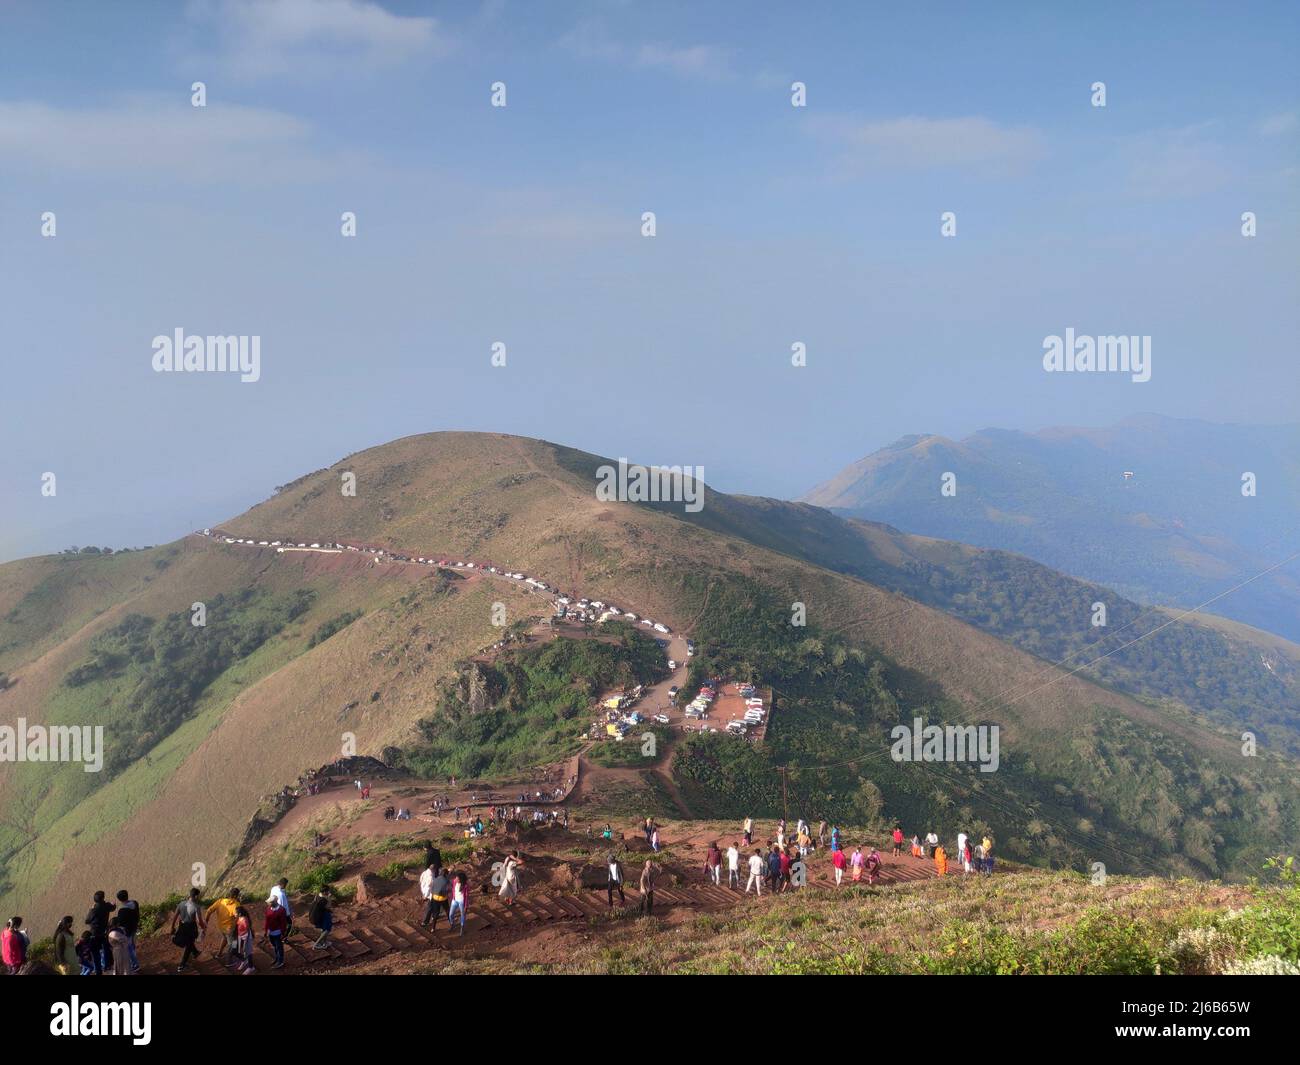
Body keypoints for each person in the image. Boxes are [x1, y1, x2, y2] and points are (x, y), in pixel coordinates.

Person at [169, 888, 206, 973]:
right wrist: (203, 927)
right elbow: (199, 921)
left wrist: (172, 927)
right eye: (198, 896)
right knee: (188, 946)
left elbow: (175, 917)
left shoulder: (181, 904)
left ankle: (195, 952)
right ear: (196, 896)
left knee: (189, 943)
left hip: (182, 926)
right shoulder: (196, 907)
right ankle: (181, 965)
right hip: (191, 927)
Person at [205, 888, 242, 965]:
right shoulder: (236, 905)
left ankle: (219, 954)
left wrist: (206, 922)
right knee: (233, 944)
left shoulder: (220, 901)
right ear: (236, 895)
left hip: (221, 927)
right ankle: (229, 961)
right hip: (231, 929)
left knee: (225, 937)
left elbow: (208, 911)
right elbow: (238, 917)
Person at [85, 890, 115, 975]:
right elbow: (113, 908)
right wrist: (113, 904)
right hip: (104, 932)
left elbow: (87, 921)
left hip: (94, 933)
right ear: (103, 898)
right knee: (106, 949)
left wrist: (91, 909)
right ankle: (107, 966)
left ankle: (98, 971)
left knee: (96, 953)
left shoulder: (94, 910)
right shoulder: (107, 906)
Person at [115, 890, 141, 973]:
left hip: (127, 931)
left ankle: (135, 965)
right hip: (134, 927)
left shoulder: (122, 910)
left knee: (129, 948)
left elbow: (120, 923)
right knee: (132, 945)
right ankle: (134, 961)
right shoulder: (135, 903)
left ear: (119, 899)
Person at [420, 863, 449, 928]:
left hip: (425, 892)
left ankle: (434, 916)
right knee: (430, 908)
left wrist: (423, 893)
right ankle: (425, 922)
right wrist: (425, 896)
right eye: (436, 870)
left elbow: (421, 880)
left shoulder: (424, 873)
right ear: (434, 869)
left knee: (433, 906)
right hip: (430, 895)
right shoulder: (431, 877)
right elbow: (428, 888)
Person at [264, 897, 288, 968]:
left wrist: (283, 933)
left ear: (274, 902)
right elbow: (267, 920)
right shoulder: (268, 909)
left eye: (270, 902)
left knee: (279, 947)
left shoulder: (281, 910)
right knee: (275, 946)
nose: (268, 904)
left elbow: (283, 922)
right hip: (270, 932)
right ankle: (277, 958)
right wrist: (266, 930)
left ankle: (280, 961)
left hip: (277, 932)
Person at [234, 905, 255, 972]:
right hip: (239, 936)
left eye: (236, 912)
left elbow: (247, 931)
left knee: (247, 952)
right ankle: (244, 960)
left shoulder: (244, 920)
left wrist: (245, 943)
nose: (234, 913)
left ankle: (251, 967)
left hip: (246, 937)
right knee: (234, 950)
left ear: (240, 914)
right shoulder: (239, 918)